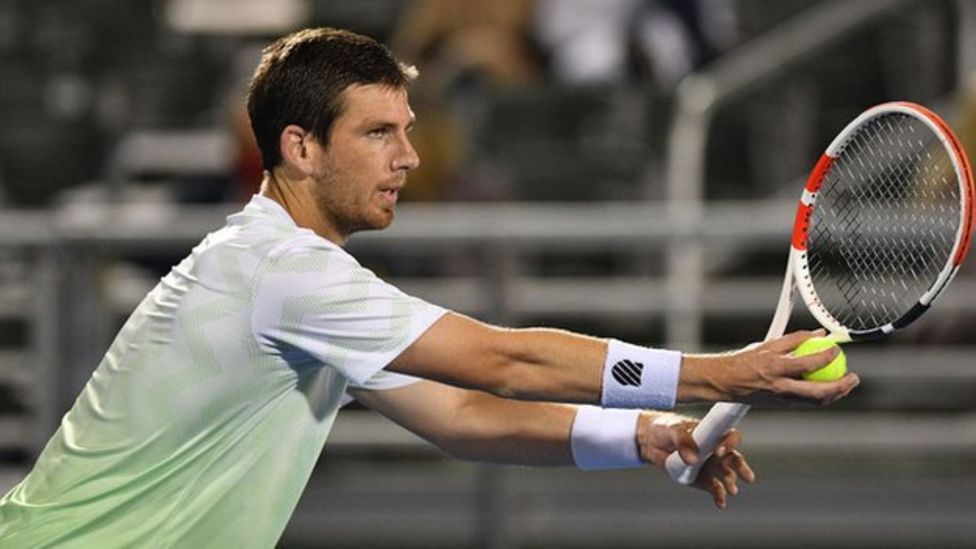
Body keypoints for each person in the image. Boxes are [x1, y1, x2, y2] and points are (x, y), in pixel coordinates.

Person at [0, 28, 859, 548]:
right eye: (378, 133)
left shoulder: (293, 276)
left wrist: (644, 435)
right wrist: (721, 374)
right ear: (300, 148)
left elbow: (462, 416)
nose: (409, 157)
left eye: (406, 131)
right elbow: (503, 363)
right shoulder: (283, 271)